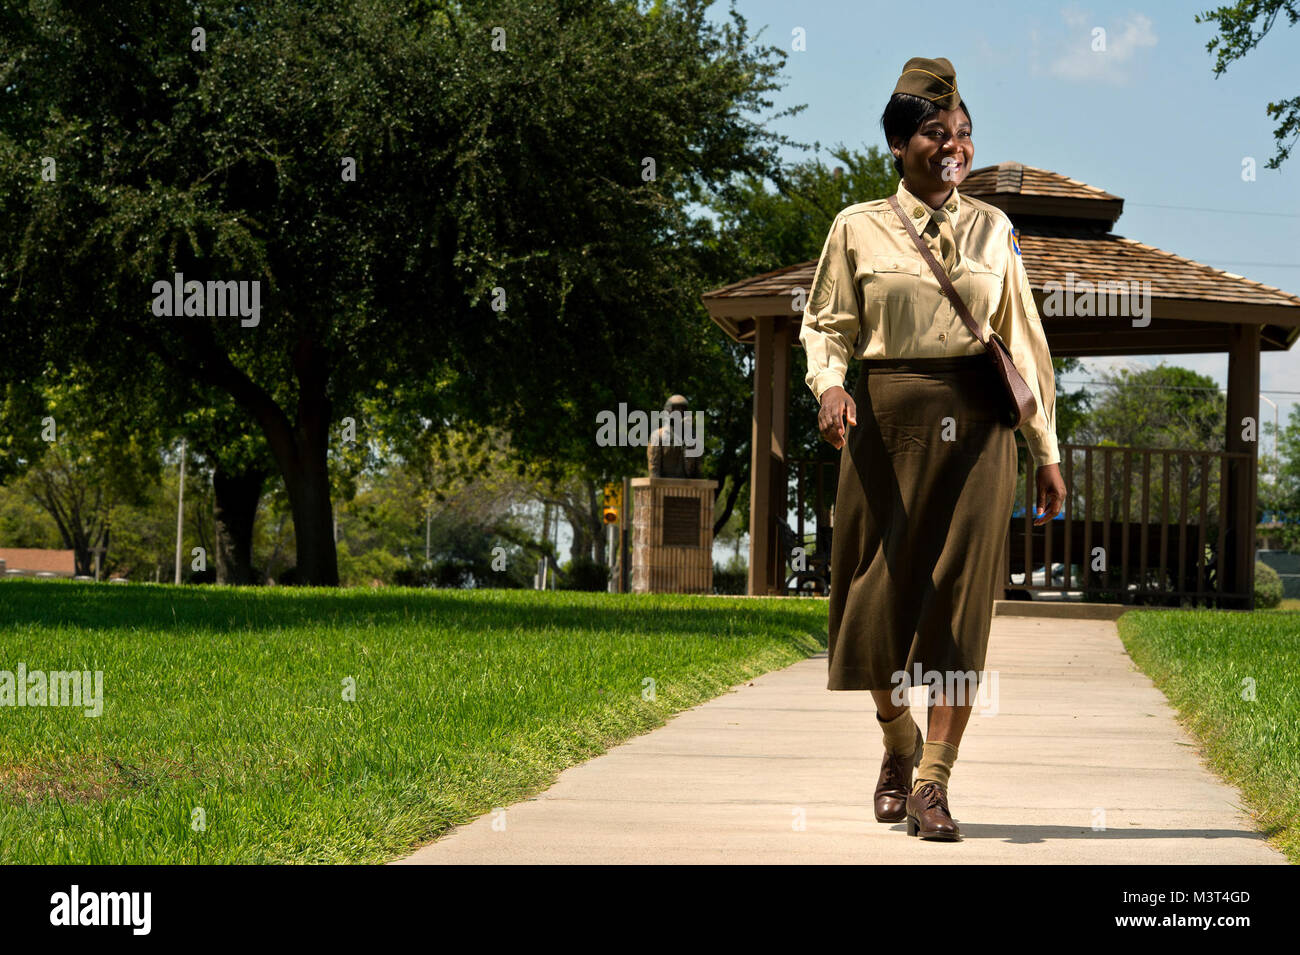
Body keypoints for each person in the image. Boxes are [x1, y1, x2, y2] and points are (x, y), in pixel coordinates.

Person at [798, 57, 1066, 841]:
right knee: (873, 604)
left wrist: (1046, 446)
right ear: (897, 144)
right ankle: (897, 739)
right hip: (884, 427)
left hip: (979, 431)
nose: (953, 147)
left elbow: (1025, 337)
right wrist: (831, 387)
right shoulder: (856, 225)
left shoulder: (995, 229)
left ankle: (933, 783)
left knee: (958, 606)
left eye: (963, 133)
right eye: (933, 133)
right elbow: (827, 324)